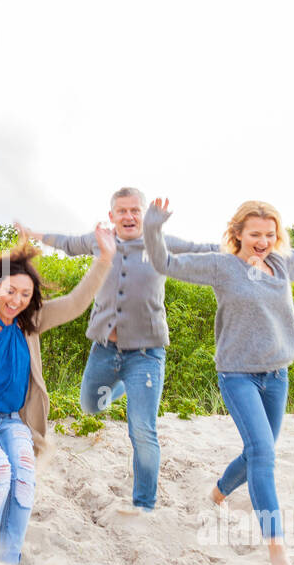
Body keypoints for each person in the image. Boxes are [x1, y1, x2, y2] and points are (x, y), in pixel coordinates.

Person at [142, 188, 294, 565]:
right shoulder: (221, 266)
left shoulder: (283, 266)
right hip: (237, 376)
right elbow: (163, 261)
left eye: (269, 234)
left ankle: (217, 492)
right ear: (238, 234)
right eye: (255, 235)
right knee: (264, 455)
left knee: (256, 455)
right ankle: (278, 549)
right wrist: (153, 227)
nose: (263, 242)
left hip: (277, 377)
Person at [0, 177, 115, 565]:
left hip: (12, 423)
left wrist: (103, 260)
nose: (16, 300)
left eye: (25, 294)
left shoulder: (30, 323)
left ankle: (8, 563)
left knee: (22, 476)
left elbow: (75, 303)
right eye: (9, 291)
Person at [18, 187, 217, 512]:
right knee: (90, 405)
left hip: (147, 354)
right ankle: (123, 387)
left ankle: (144, 505)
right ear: (112, 216)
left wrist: (244, 251)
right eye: (121, 211)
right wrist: (33, 234)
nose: (128, 216)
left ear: (144, 213)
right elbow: (68, 243)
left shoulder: (160, 243)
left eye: (135, 210)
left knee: (142, 429)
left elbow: (204, 250)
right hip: (104, 350)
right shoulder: (100, 240)